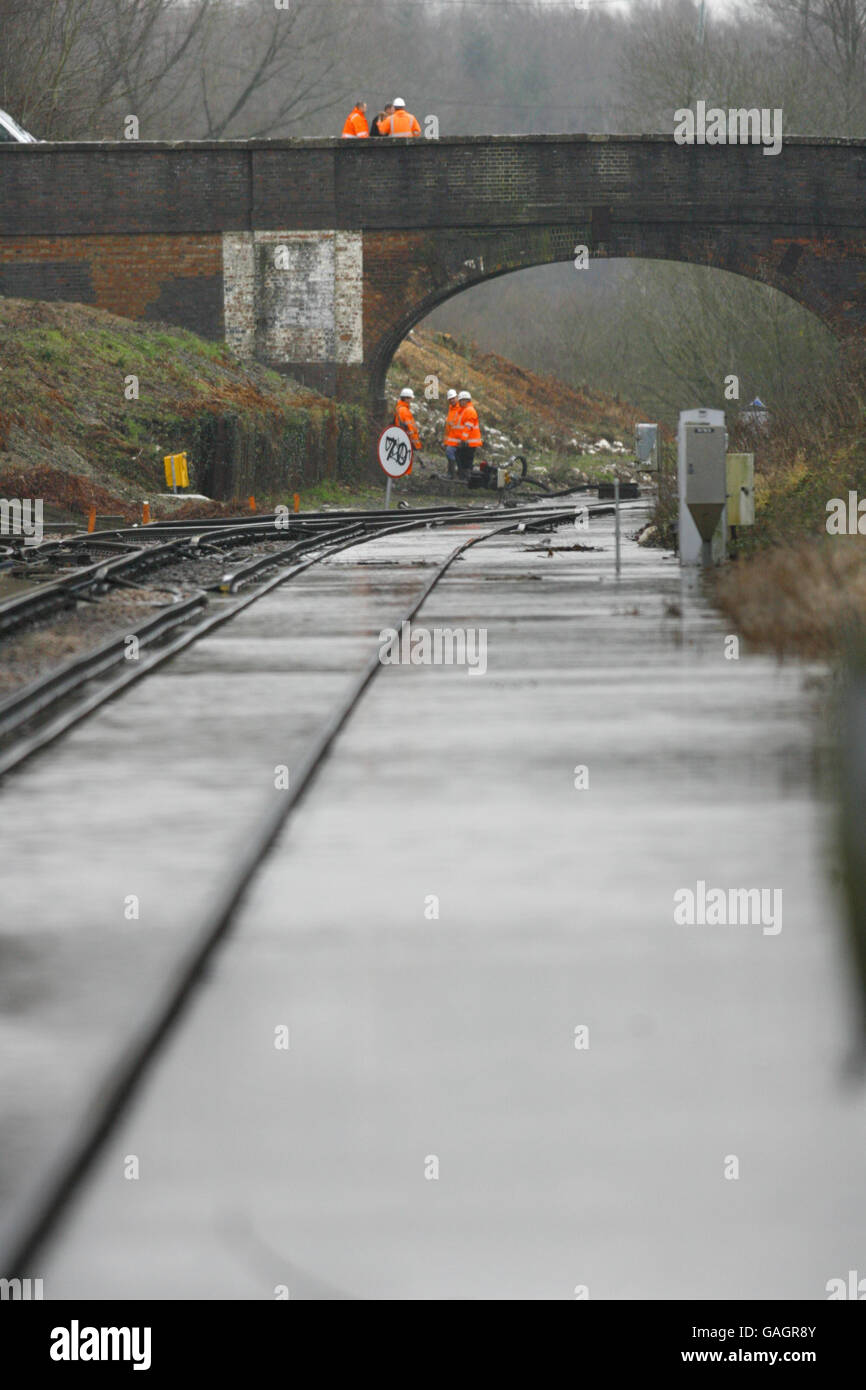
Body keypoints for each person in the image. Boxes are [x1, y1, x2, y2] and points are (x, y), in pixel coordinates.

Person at [394, 387, 422, 475]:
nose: (411, 400)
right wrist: (415, 443)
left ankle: (402, 474)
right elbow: (410, 428)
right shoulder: (404, 411)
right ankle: (405, 475)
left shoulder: (400, 408)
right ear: (406, 398)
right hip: (407, 439)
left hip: (403, 437)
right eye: (410, 398)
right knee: (406, 459)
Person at [455, 389, 482, 475]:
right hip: (468, 441)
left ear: (467, 400)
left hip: (469, 442)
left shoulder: (469, 411)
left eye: (462, 400)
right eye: (460, 400)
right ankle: (463, 474)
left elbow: (468, 426)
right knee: (463, 458)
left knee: (466, 459)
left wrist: (463, 439)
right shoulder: (465, 410)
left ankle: (466, 475)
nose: (460, 402)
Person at [443, 388, 462, 477]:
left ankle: (453, 473)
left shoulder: (461, 409)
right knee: (450, 454)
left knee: (449, 452)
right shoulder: (451, 409)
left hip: (458, 439)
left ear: (457, 397)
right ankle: (451, 473)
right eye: (450, 399)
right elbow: (449, 427)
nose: (452, 400)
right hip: (451, 439)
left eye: (453, 398)